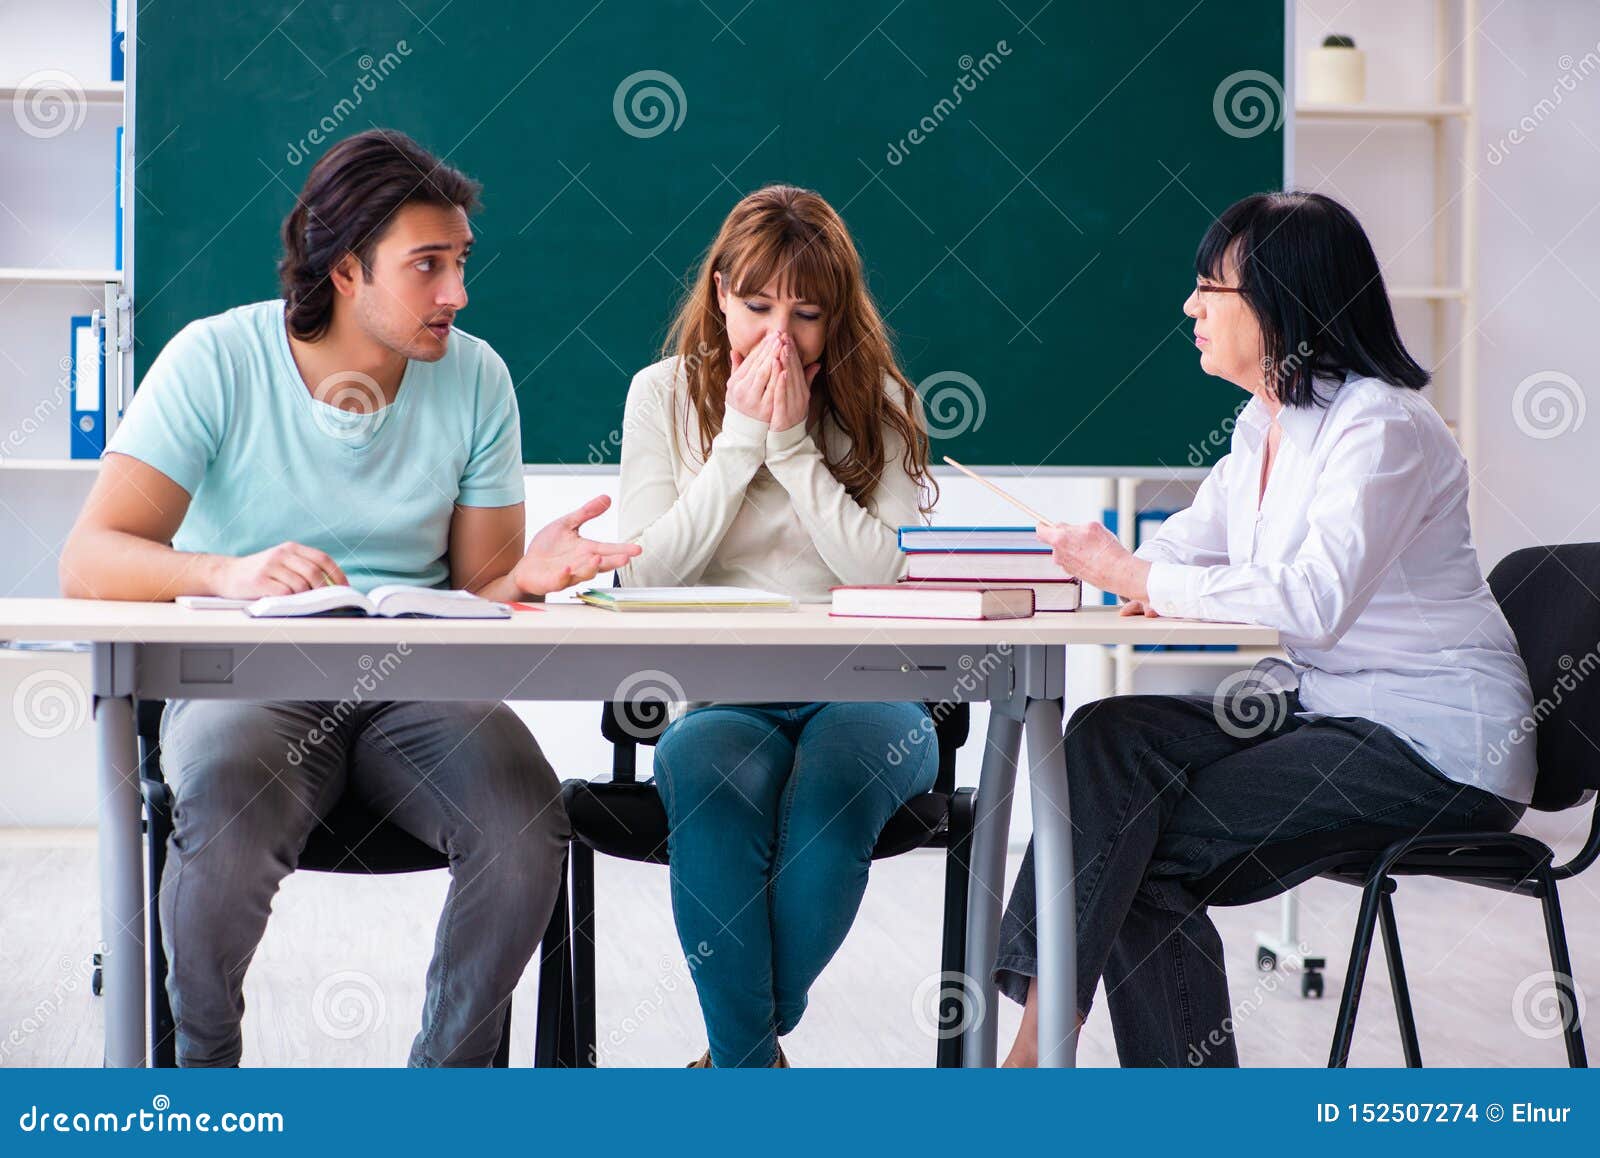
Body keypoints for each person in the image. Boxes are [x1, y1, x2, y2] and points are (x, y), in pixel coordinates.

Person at [59, 128, 639, 1067]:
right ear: (344, 271)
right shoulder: (217, 360)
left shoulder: (478, 377)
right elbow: (90, 558)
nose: (457, 293)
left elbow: (480, 585)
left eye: (459, 262)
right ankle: (203, 1083)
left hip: (419, 684)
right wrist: (225, 572)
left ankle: (438, 1098)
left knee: (526, 825)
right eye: (427, 267)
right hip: (254, 678)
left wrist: (524, 577)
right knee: (226, 806)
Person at [994, 191, 1535, 1067]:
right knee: (1109, 739)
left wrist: (1139, 577)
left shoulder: (1383, 427)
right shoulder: (1266, 422)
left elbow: (1313, 599)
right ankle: (1044, 1036)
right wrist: (1109, 568)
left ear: (1286, 304)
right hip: (1333, 712)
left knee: (1135, 847)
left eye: (1212, 289)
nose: (1190, 307)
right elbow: (1186, 547)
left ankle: (1041, 1054)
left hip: (1436, 745)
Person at [617, 184, 939, 1067]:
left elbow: (886, 571)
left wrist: (794, 450)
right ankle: (753, 1075)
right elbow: (644, 570)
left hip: (874, 695)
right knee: (703, 776)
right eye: (756, 308)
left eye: (805, 316)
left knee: (835, 790)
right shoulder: (663, 397)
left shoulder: (879, 397)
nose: (778, 337)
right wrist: (740, 443)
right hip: (725, 696)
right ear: (721, 293)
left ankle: (737, 1062)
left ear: (836, 320)